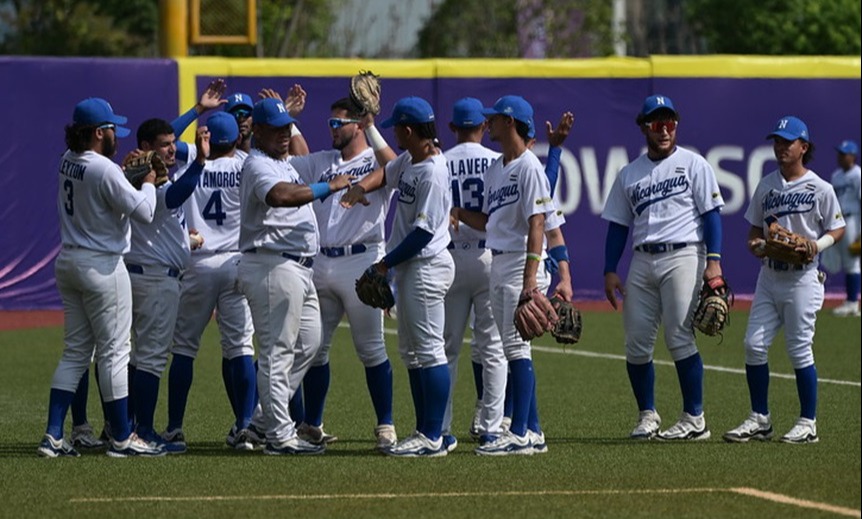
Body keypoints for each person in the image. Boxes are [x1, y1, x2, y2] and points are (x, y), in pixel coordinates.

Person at [38, 97, 163, 458]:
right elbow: (144, 212)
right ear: (97, 133)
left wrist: (129, 178)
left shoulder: (68, 160)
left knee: (76, 352)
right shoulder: (103, 168)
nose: (116, 136)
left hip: (70, 261)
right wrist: (149, 181)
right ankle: (123, 437)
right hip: (103, 266)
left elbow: (104, 191)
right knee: (115, 353)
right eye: (111, 130)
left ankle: (53, 435)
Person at [452, 95, 573, 456]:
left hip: (521, 263)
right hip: (499, 260)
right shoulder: (496, 169)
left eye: (495, 119)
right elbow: (489, 222)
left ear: (510, 122)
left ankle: (519, 432)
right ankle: (532, 430)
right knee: (511, 349)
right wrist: (457, 211)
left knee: (517, 349)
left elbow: (539, 224)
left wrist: (529, 280)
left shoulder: (530, 167)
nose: (488, 124)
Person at [601, 94, 724, 441]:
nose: (664, 129)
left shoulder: (694, 164)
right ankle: (647, 415)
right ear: (643, 127)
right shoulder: (629, 174)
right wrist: (610, 268)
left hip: (684, 255)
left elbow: (711, 216)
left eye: (669, 122)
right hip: (642, 260)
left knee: (679, 336)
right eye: (657, 123)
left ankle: (694, 418)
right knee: (636, 343)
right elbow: (618, 225)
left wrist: (713, 262)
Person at [236, 98, 353, 455]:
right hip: (273, 264)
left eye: (287, 128)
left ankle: (260, 422)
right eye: (276, 129)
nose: (284, 135)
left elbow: (299, 160)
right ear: (257, 131)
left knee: (309, 343)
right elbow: (280, 196)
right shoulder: (258, 165)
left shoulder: (283, 162)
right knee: (277, 351)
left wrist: (288, 117)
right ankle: (279, 435)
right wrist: (328, 188)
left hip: (298, 267)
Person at [341, 96, 455, 457]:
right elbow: (388, 163)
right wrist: (370, 125)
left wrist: (383, 264)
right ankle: (427, 431)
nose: (397, 136)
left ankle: (433, 436)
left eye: (397, 129)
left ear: (410, 130)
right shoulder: (411, 160)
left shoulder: (434, 172)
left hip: (425, 266)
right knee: (412, 353)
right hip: (412, 268)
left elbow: (421, 235)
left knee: (429, 351)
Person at [724, 116, 845, 444]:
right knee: (753, 345)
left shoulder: (820, 188)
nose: (780, 147)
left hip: (803, 277)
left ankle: (808, 423)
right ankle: (759, 419)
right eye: (777, 141)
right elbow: (753, 233)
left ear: (803, 147)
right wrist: (759, 246)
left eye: (787, 142)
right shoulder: (767, 185)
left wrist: (815, 245)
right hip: (770, 275)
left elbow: (837, 227)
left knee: (799, 349)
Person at [288, 97, 399, 450]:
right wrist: (288, 121)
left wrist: (370, 125)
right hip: (321, 261)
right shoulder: (323, 160)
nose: (331, 129)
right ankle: (311, 424)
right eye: (330, 123)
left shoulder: (374, 158)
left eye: (339, 124)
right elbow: (286, 163)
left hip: (361, 258)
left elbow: (395, 167)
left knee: (371, 349)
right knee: (314, 349)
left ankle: (385, 425)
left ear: (356, 124)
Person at [164, 112, 261, 451]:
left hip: (199, 262)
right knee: (240, 349)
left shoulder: (194, 158)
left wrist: (195, 109)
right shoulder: (248, 166)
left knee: (184, 349)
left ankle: (175, 429)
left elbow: (166, 137)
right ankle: (246, 426)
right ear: (237, 139)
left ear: (206, 139)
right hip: (236, 260)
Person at [123, 120, 209, 454]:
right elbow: (175, 195)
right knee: (151, 359)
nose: (172, 149)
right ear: (146, 146)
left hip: (142, 272)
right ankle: (142, 431)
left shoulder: (136, 176)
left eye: (174, 143)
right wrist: (200, 162)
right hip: (156, 280)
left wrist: (198, 110)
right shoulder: (149, 181)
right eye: (164, 144)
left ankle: (122, 426)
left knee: (130, 357)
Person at [440, 97, 504, 451]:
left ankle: (442, 426)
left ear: (452, 128)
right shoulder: (496, 162)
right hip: (489, 257)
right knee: (492, 348)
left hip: (450, 259)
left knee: (446, 349)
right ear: (483, 127)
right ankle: (491, 428)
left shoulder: (441, 162)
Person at [829, 140, 861, 316]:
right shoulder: (836, 176)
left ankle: (853, 302)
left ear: (853, 156)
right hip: (839, 220)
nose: (840, 157)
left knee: (852, 263)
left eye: (844, 154)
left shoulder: (858, 175)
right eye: (839, 153)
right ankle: (850, 300)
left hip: (854, 219)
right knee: (839, 263)